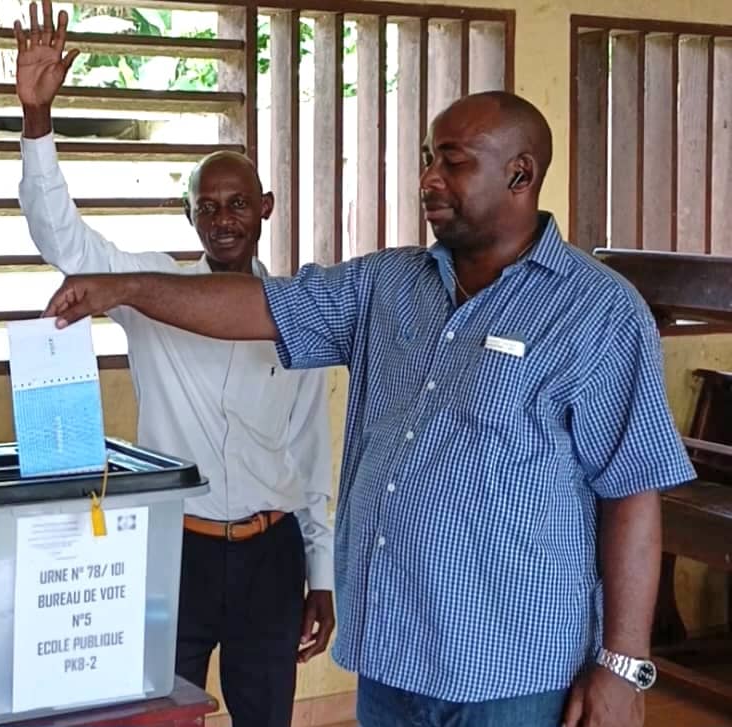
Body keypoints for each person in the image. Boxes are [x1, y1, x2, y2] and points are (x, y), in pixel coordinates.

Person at [40, 91, 698, 727]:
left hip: (515, 672)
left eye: (452, 160)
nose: (428, 178)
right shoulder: (388, 283)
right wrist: (119, 287)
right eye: (426, 158)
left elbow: (633, 491)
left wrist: (623, 663)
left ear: (520, 173)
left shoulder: (598, 312)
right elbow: (262, 306)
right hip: (395, 657)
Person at [12, 3, 336, 726]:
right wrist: (37, 120)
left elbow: (313, 454)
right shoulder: (148, 289)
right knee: (156, 714)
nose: (224, 219)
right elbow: (62, 238)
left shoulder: (301, 310)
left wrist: (323, 573)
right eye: (208, 206)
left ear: (265, 209)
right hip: (172, 550)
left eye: (238, 204)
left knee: (264, 718)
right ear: (189, 214)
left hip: (271, 553)